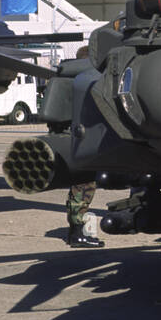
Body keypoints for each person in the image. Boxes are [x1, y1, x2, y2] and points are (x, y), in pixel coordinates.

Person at [64, 45, 103, 248]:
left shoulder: (73, 82)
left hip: (74, 140)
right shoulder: (85, 84)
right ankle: (77, 234)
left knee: (79, 187)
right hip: (83, 141)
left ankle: (75, 232)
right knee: (84, 187)